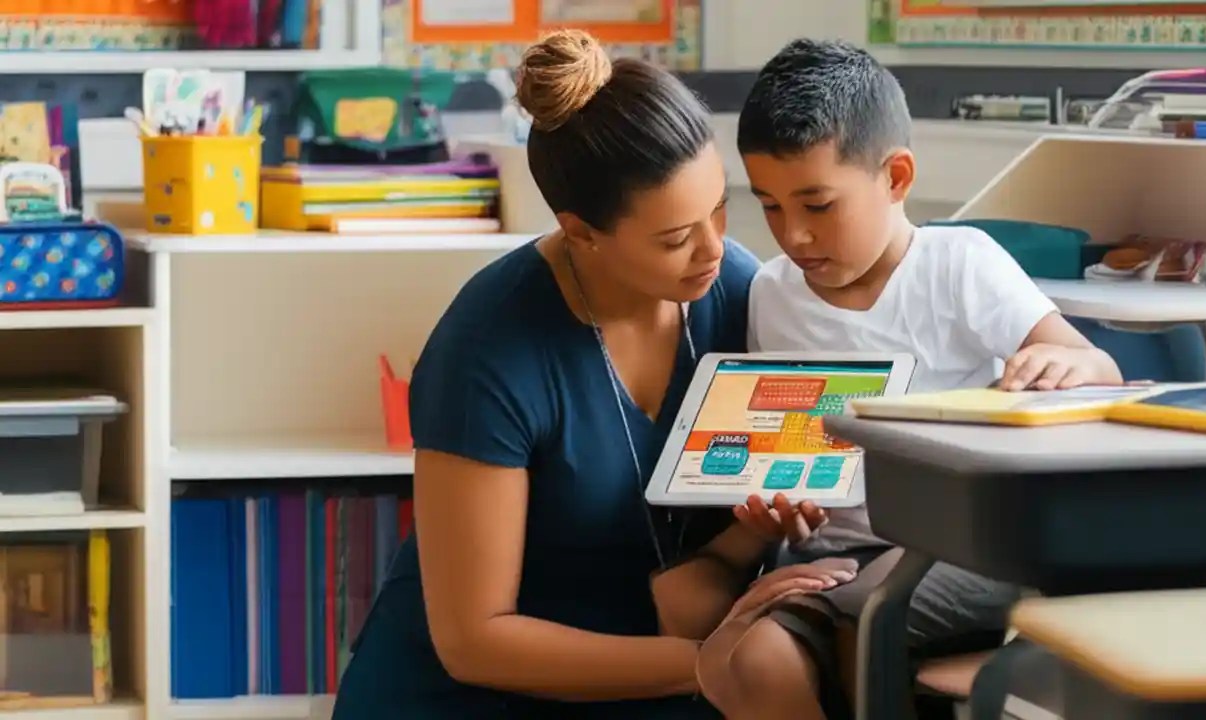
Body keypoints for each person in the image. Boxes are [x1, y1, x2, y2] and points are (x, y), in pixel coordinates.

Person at [332, 30, 857, 719]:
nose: (713, 248)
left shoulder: (735, 289)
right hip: (480, 693)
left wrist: (767, 524)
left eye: (720, 210)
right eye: (674, 237)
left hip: (676, 671)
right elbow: (474, 641)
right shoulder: (488, 349)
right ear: (581, 232)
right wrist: (706, 660)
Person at [695, 39, 1123, 720]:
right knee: (740, 658)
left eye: (818, 204)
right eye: (771, 207)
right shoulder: (772, 294)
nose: (794, 236)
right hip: (837, 556)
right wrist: (787, 507)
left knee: (829, 637)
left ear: (895, 179)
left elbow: (1097, 368)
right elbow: (794, 449)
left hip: (958, 547)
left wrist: (1069, 364)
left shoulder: (958, 264)